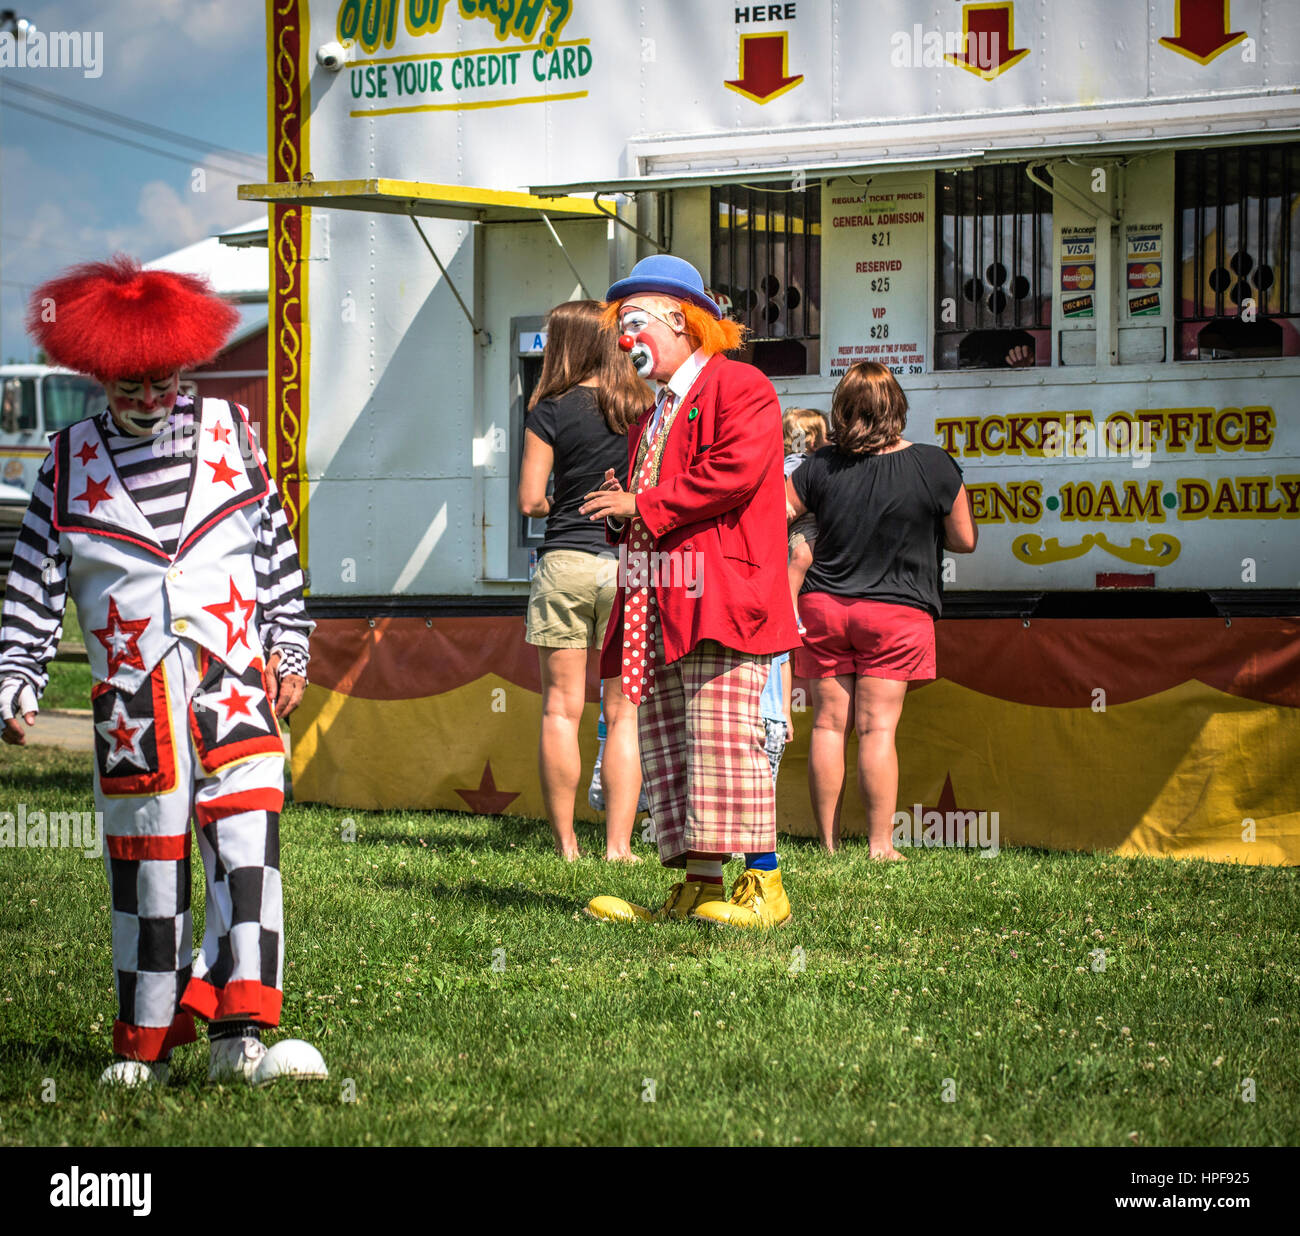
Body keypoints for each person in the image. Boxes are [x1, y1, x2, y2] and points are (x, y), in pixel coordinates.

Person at [0, 256, 324, 1087]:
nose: (150, 399)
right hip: (134, 699)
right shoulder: (67, 461)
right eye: (130, 385)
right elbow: (34, 578)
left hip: (233, 680)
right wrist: (18, 670)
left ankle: (242, 1033)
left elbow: (273, 544)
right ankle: (144, 1042)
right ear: (101, 374)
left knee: (247, 847)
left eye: (164, 382)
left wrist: (289, 643)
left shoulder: (231, 433)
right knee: (147, 861)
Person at [579, 254, 800, 929]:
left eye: (636, 323)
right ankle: (699, 885)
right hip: (664, 601)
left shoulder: (741, 386)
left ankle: (765, 888)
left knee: (727, 739)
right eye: (622, 326)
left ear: (682, 320)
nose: (625, 340)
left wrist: (641, 504)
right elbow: (657, 500)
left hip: (723, 596)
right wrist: (625, 514)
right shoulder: (653, 414)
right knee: (677, 743)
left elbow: (732, 472)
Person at [786, 362, 978, 857]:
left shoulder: (819, 466)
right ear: (897, 407)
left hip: (824, 608)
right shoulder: (934, 465)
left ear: (842, 409)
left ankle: (827, 845)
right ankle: (879, 845)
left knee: (828, 725)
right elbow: (965, 539)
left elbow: (776, 513)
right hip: (895, 615)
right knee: (876, 729)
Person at [518, 300, 648, 861]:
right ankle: (618, 846)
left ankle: (567, 845)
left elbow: (530, 501)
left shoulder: (549, 407)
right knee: (623, 713)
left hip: (565, 561)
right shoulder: (642, 404)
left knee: (561, 711)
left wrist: (561, 501)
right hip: (630, 564)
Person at [782, 407, 829, 635]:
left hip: (812, 521)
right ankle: (790, 610)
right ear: (812, 442)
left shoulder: (811, 461)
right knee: (801, 556)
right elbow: (779, 483)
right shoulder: (798, 461)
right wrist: (786, 503)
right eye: (825, 435)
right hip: (801, 523)